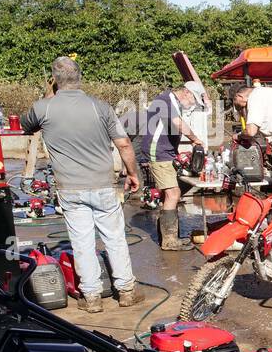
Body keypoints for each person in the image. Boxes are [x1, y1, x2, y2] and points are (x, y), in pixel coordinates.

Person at [21, 56, 140, 313]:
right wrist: (132, 173)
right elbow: (124, 144)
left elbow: (25, 125)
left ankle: (92, 297)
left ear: (55, 80)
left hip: (70, 189)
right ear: (80, 77)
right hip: (103, 185)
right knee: (115, 238)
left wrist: (49, 94)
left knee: (82, 242)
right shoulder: (101, 107)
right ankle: (126, 291)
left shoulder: (43, 108)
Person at [120, 85, 198, 250]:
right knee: (173, 193)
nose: (192, 105)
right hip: (159, 152)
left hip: (165, 152)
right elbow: (178, 123)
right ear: (187, 92)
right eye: (193, 100)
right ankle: (169, 241)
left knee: (172, 192)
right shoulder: (165, 100)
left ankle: (168, 234)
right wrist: (195, 139)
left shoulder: (171, 101)